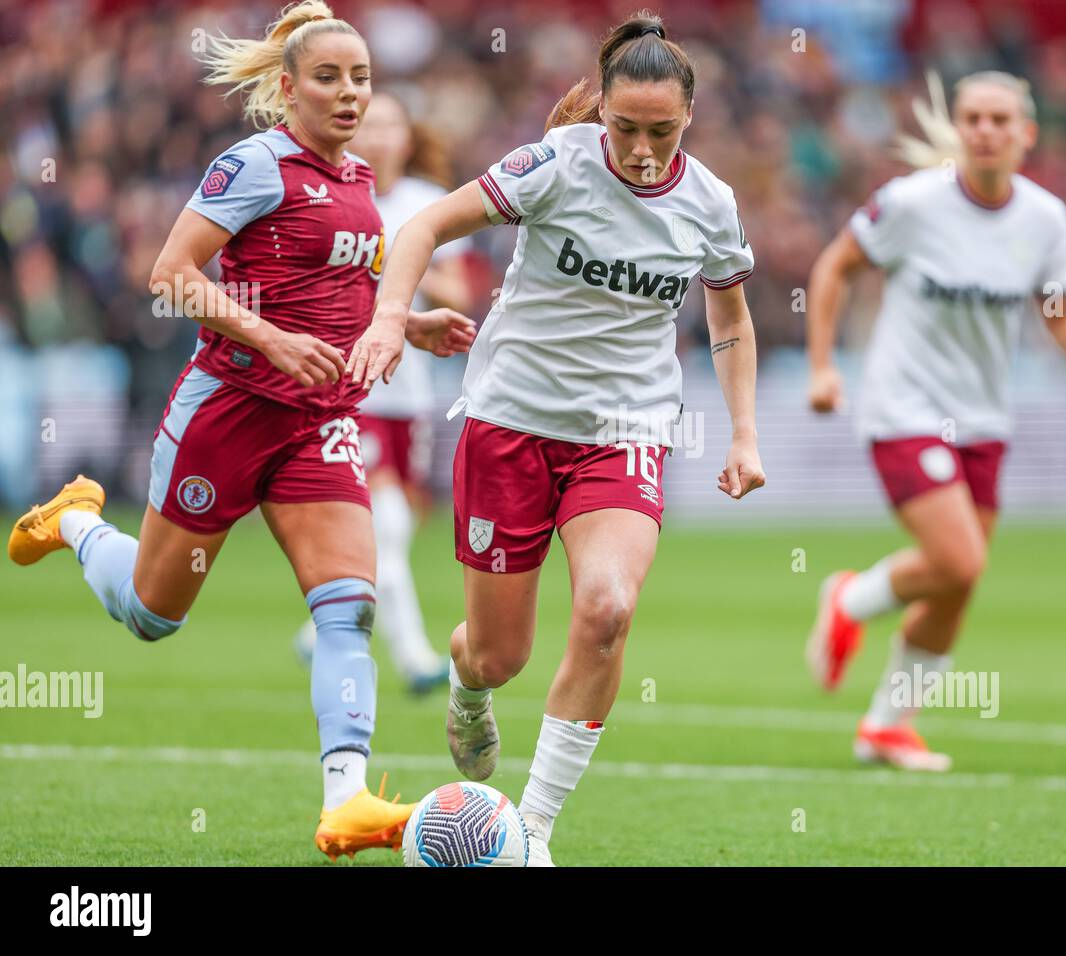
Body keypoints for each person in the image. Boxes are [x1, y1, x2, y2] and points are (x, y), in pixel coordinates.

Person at [5, 1, 473, 860]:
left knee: (348, 608)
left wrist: (412, 323)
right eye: (328, 78)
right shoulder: (254, 165)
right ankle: (72, 517)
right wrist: (268, 338)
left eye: (361, 78)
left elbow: (341, 283)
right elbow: (170, 274)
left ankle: (347, 798)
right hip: (226, 413)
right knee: (151, 616)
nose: (349, 94)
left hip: (317, 422)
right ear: (287, 88)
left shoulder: (361, 181)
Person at [345, 10, 765, 865]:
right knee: (498, 656)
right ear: (599, 112)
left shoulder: (710, 203)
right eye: (625, 128)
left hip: (627, 430)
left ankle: (530, 830)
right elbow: (422, 227)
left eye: (663, 131)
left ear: (690, 118)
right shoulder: (552, 166)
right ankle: (467, 692)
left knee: (608, 606)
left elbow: (729, 310)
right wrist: (391, 318)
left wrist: (743, 432)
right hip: (510, 423)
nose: (643, 149)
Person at [804, 72, 1066, 771]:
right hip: (903, 406)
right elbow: (835, 266)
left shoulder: (1046, 219)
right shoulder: (912, 204)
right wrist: (825, 367)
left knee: (959, 580)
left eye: (998, 119)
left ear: (1026, 135)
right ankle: (850, 598)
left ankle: (887, 726)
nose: (984, 130)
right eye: (973, 118)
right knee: (958, 558)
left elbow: (1057, 303)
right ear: (959, 129)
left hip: (984, 417)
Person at [293, 91, 475, 693]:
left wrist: (408, 268)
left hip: (411, 389)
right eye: (369, 126)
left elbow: (460, 293)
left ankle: (320, 626)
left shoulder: (430, 204)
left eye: (391, 126)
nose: (378, 136)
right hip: (351, 385)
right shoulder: (335, 195)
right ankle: (416, 656)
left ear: (406, 137)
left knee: (399, 521)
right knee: (386, 522)